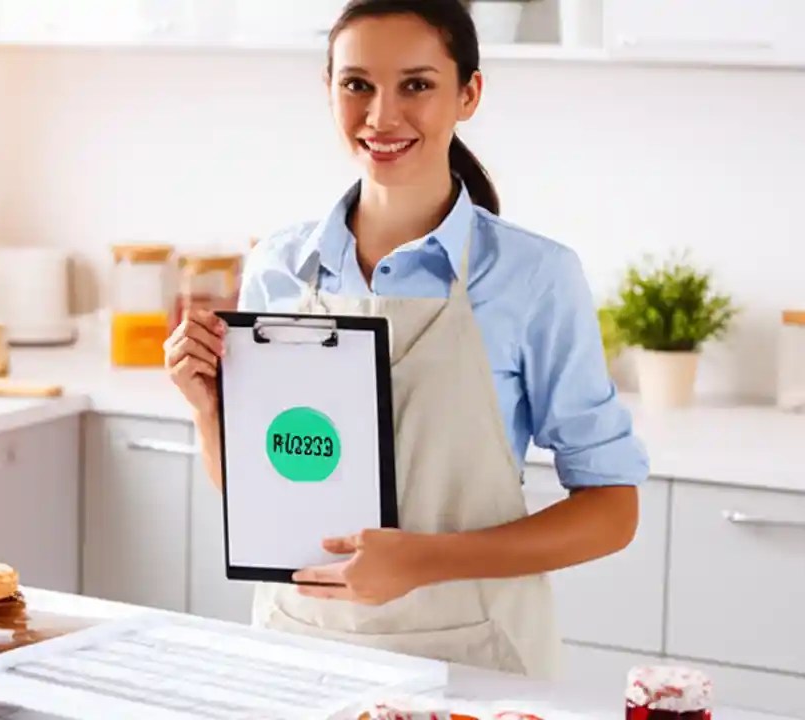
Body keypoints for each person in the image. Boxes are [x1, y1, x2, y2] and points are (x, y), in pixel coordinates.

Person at [164, 0, 648, 680]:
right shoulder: (279, 264)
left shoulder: (534, 277)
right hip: (299, 643)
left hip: (471, 656)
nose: (382, 116)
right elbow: (269, 494)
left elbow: (612, 510)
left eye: (416, 85)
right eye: (356, 84)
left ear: (468, 93)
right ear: (328, 90)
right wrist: (209, 410)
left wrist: (424, 559)